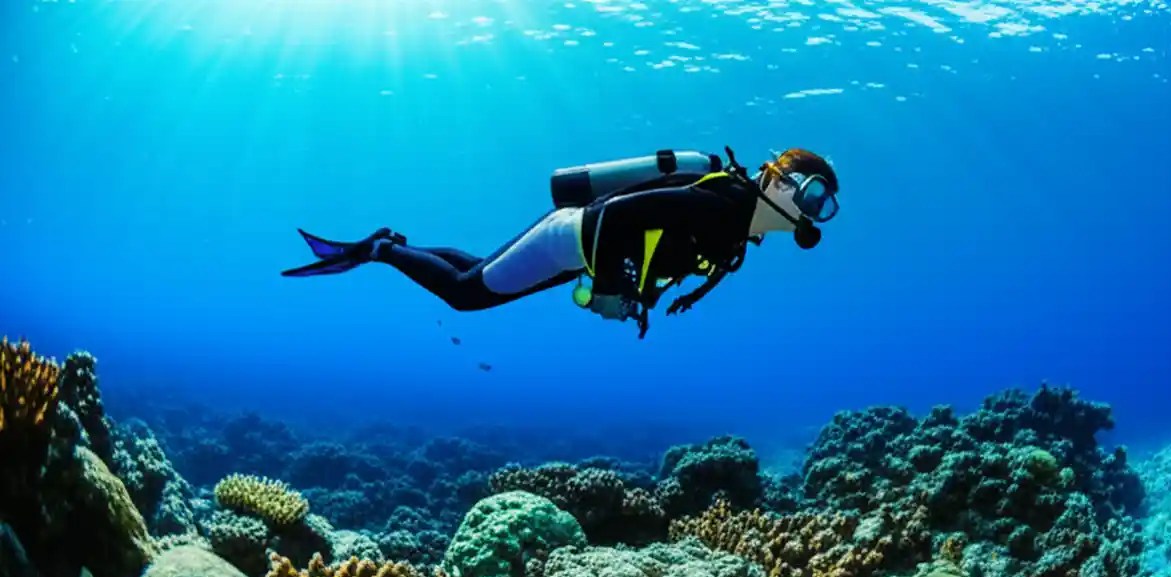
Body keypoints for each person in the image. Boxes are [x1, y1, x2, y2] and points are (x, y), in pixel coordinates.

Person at [282, 146, 840, 338]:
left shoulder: (735, 232)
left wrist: (629, 293)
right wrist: (610, 288)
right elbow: (620, 214)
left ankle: (393, 241)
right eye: (815, 196)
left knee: (478, 272)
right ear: (776, 181)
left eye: (826, 207)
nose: (816, 213)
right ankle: (380, 250)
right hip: (570, 239)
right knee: (466, 295)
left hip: (573, 248)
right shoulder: (720, 205)